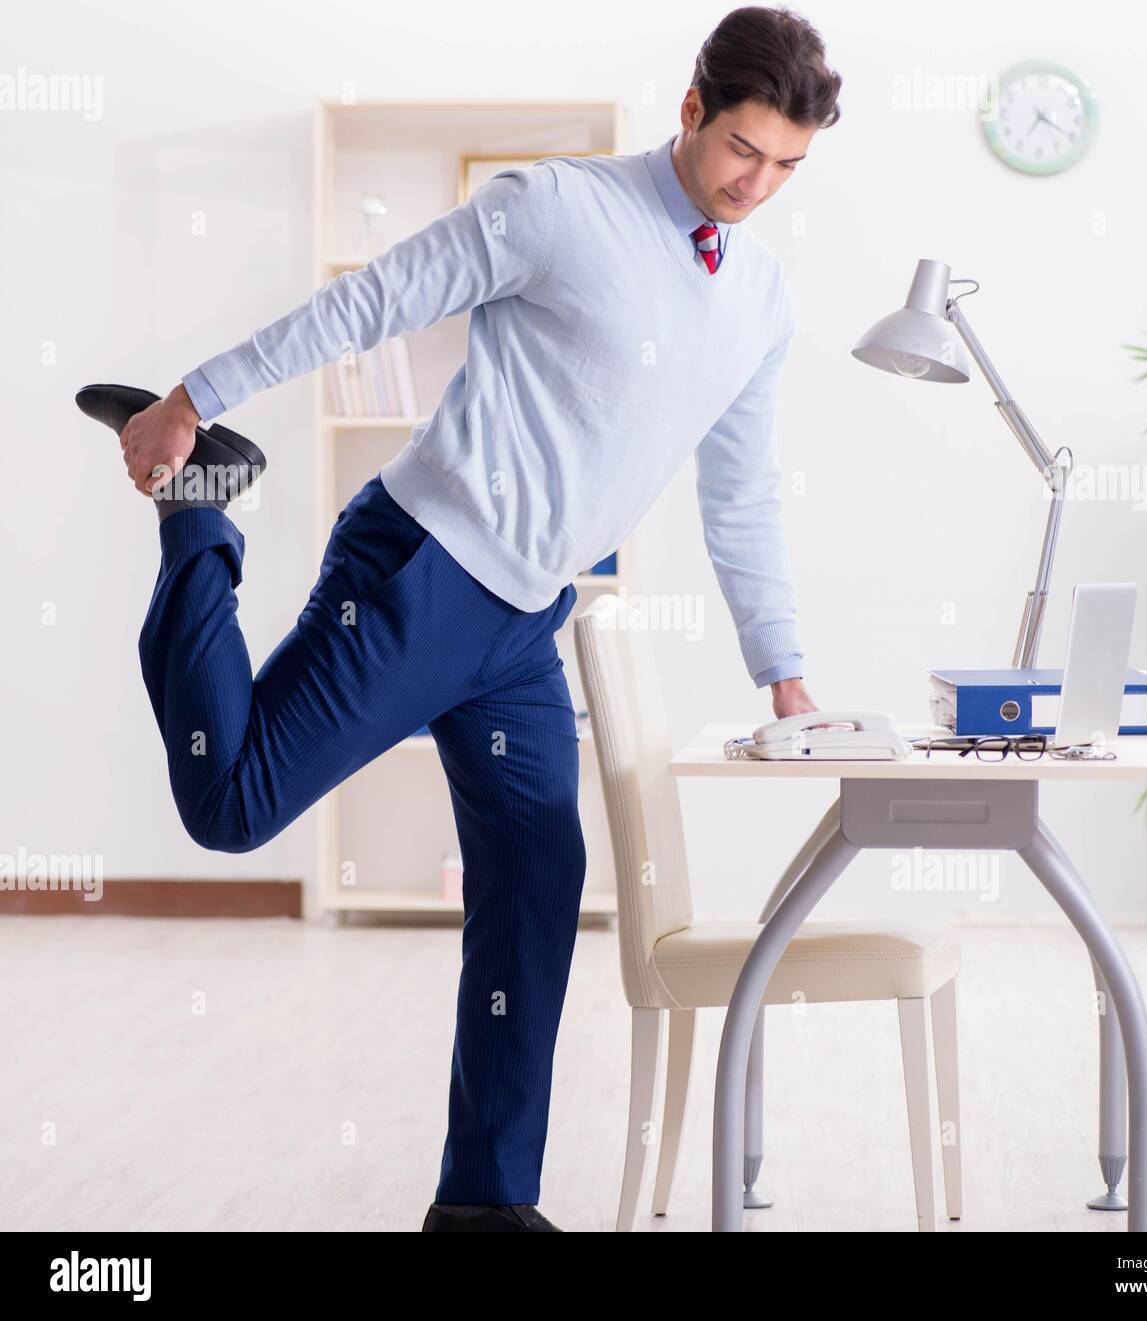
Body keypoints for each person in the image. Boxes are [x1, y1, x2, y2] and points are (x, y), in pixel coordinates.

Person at [108, 4, 840, 1232]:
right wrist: (196, 395)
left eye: (786, 168)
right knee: (229, 804)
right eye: (741, 152)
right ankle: (201, 502)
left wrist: (785, 673)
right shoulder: (558, 209)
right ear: (690, 112)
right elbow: (375, 301)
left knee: (537, 879)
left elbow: (741, 491)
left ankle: (484, 1208)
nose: (755, 186)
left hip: (521, 623)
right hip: (423, 572)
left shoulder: (758, 300)